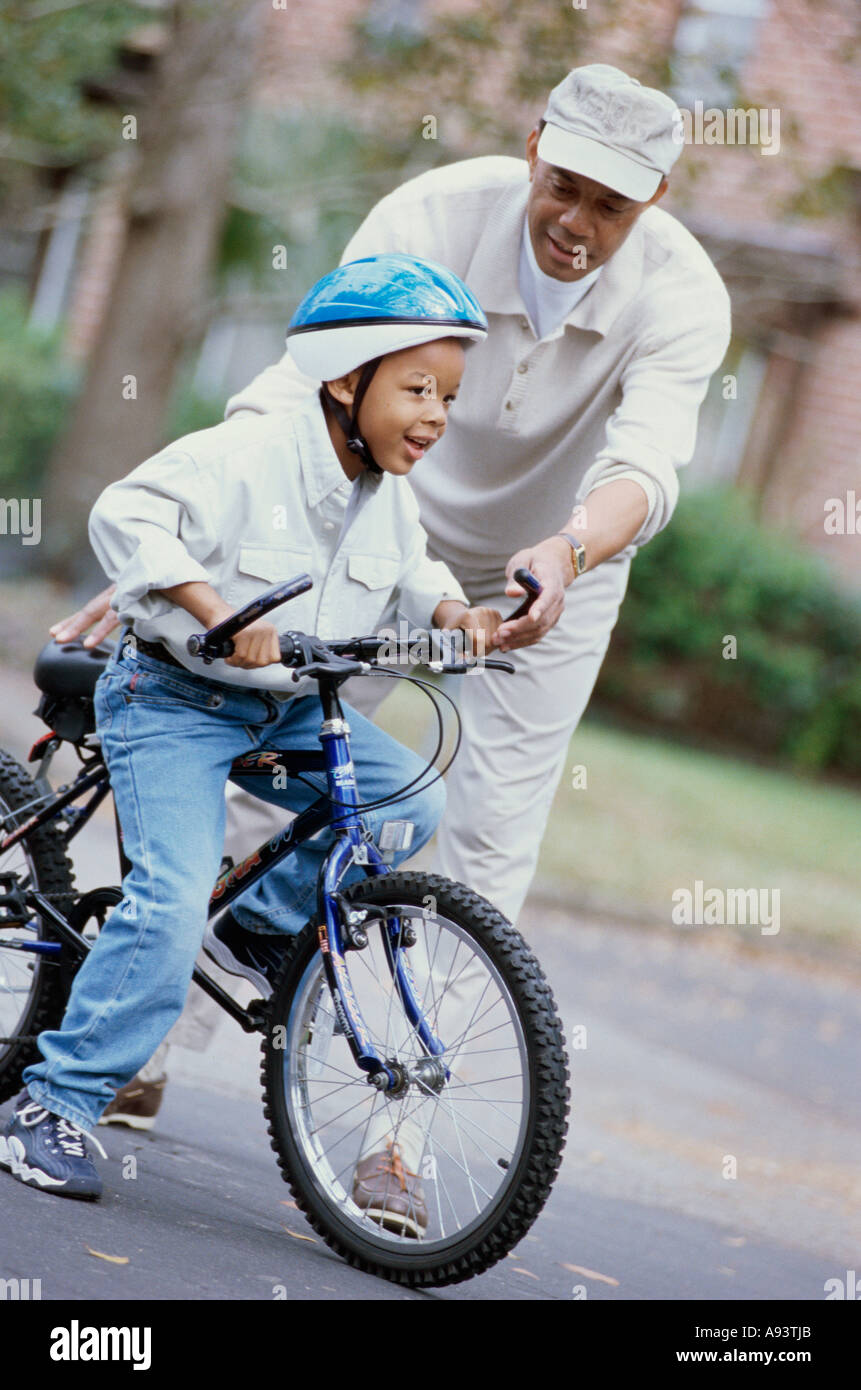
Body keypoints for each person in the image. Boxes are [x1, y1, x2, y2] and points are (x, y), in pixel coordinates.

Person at [46, 63, 732, 1170]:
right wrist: (177, 569)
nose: (576, 221)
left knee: (481, 834)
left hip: (553, 560)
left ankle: (402, 1136)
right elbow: (298, 383)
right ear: (533, 144)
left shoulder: (684, 292)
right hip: (365, 514)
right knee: (251, 733)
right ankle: (142, 1030)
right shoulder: (428, 215)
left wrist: (562, 554)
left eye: (611, 205)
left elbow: (645, 465)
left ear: (652, 200)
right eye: (563, 185)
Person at [0, 254, 501, 1211]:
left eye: (450, 396)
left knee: (408, 800)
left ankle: (258, 930)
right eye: (419, 389)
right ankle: (49, 1103)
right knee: (169, 900)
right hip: (174, 699)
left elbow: (417, 568)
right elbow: (126, 510)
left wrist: (455, 616)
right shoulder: (251, 452)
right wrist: (212, 604)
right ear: (347, 379)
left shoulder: (383, 491)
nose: (437, 415)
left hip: (286, 708)